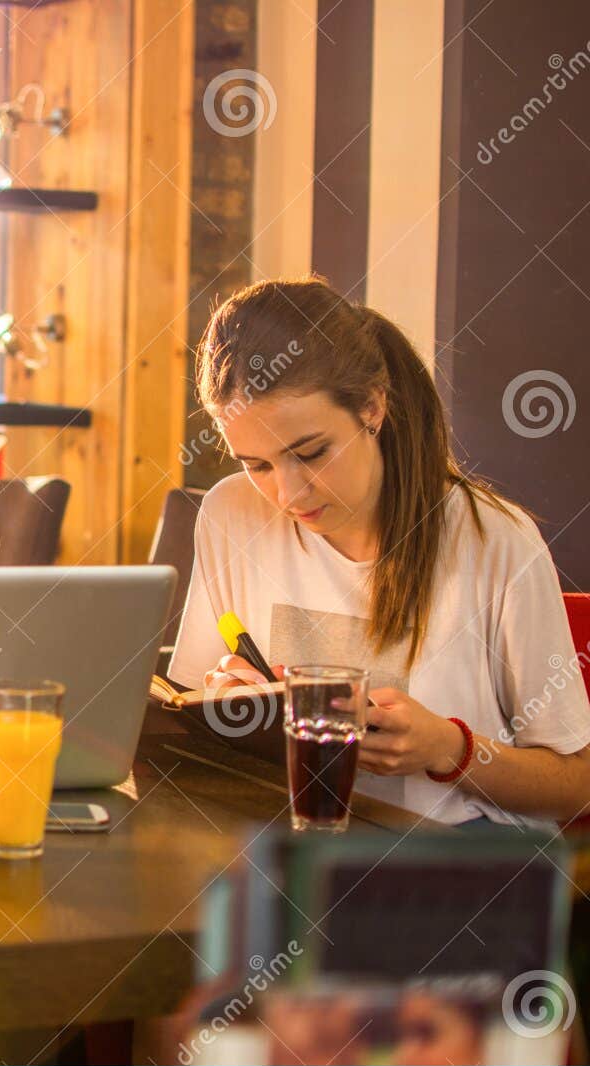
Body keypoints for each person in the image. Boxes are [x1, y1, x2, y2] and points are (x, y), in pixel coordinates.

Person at [170, 278, 590, 828]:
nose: (288, 494)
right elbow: (187, 714)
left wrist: (449, 749)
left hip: (455, 869)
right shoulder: (231, 513)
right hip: (295, 846)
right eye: (257, 465)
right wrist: (229, 702)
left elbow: (576, 785)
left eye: (311, 453)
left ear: (372, 407)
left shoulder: (497, 542)